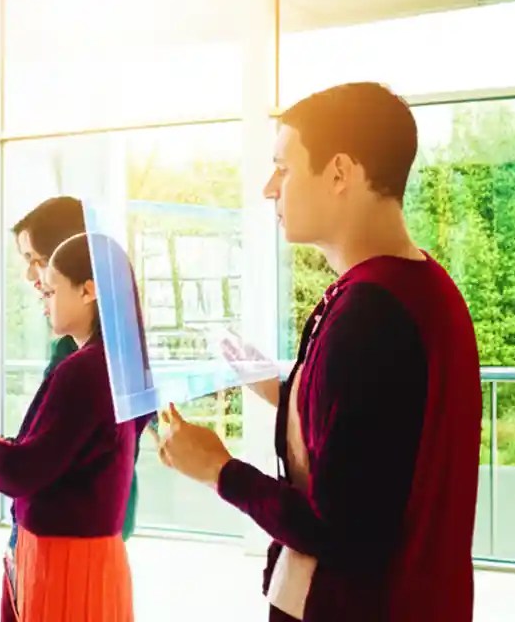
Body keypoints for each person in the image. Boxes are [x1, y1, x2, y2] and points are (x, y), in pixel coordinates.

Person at [156, 82, 481, 621]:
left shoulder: (369, 317)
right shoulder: (421, 289)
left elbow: (342, 531)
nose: (268, 189)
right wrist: (279, 387)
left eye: (283, 167)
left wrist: (219, 469)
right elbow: (369, 445)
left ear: (339, 174)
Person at [0, 232, 143, 622]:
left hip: (67, 559)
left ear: (88, 290)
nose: (43, 303)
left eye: (51, 292)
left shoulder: (85, 369)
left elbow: (27, 469)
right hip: (94, 554)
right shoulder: (121, 362)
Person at [11, 196, 141, 545]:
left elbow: (37, 461)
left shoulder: (84, 362)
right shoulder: (102, 344)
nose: (31, 276)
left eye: (35, 260)